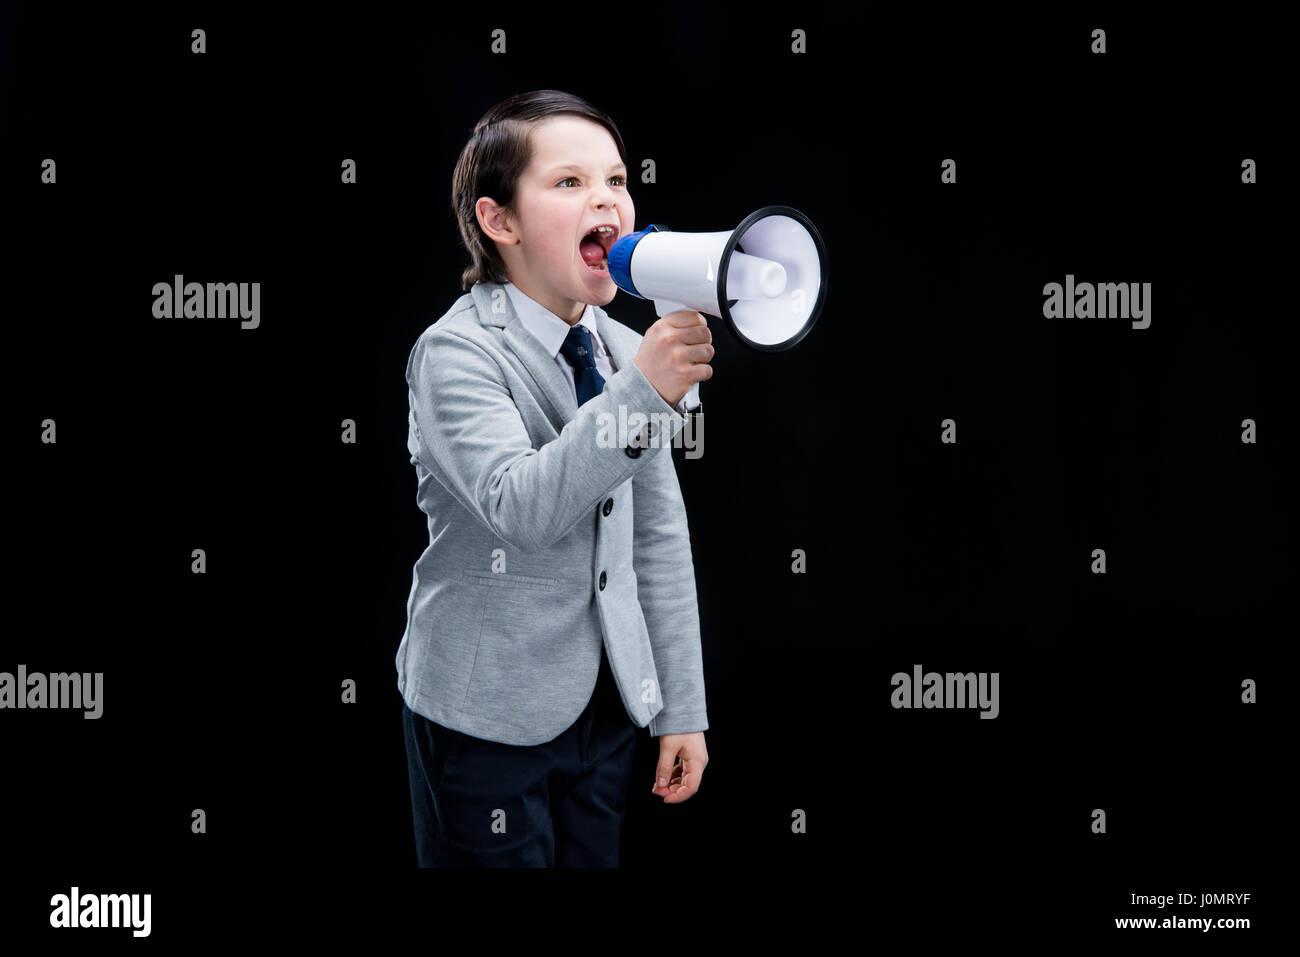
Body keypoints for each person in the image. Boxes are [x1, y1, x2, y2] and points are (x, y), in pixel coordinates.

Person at [397, 89, 712, 867]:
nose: (606, 197)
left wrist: (681, 705)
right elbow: (522, 507)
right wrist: (641, 392)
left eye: (616, 179)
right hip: (487, 718)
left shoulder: (615, 344)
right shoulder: (456, 354)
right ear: (498, 222)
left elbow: (658, 534)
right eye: (569, 183)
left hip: (605, 709)